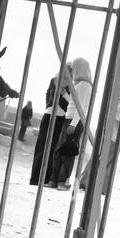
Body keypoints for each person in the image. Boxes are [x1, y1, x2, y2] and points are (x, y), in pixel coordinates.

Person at [30, 57, 91, 189]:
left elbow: (80, 106)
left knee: (64, 151)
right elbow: (57, 98)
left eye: (73, 69)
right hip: (60, 117)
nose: (72, 72)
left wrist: (73, 123)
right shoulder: (65, 82)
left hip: (67, 119)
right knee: (53, 150)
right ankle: (48, 179)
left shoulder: (81, 85)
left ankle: (59, 181)